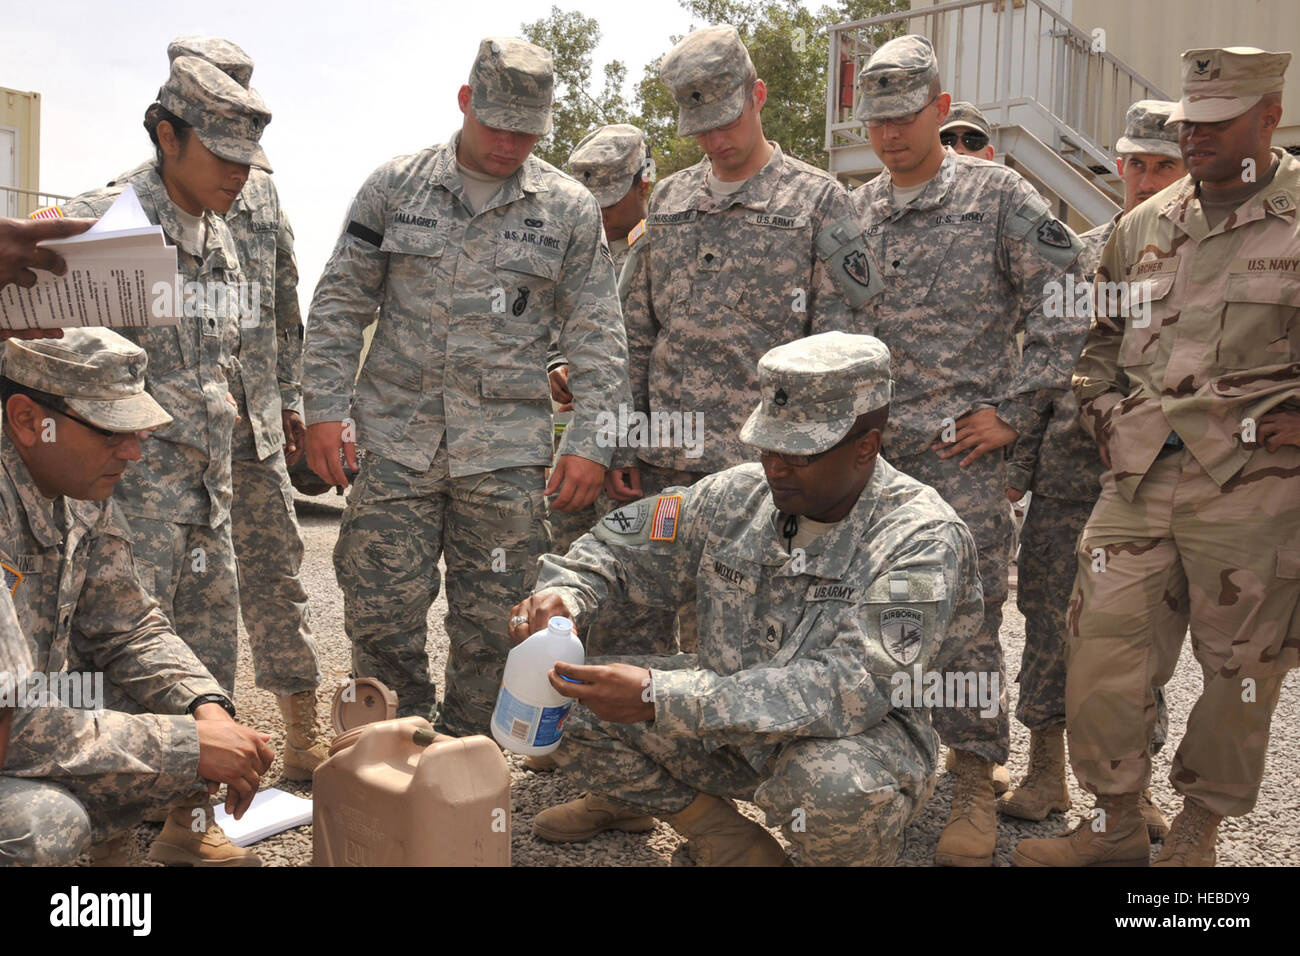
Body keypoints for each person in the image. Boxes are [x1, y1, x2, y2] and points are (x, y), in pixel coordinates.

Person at [513, 332, 982, 865]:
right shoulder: (733, 496)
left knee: (834, 790)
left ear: (865, 448)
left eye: (797, 452)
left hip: (851, 740)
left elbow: (852, 687)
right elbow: (616, 544)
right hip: (725, 721)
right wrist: (563, 594)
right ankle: (724, 839)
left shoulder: (922, 540)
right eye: (768, 446)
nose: (774, 466)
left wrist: (659, 696)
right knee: (566, 700)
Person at [1014, 46, 1300, 868]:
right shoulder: (1145, 224)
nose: (1196, 138)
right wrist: (1106, 414)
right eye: (1189, 123)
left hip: (1257, 489)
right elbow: (1097, 341)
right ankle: (1112, 827)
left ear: (1269, 117)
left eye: (1215, 124)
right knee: (1100, 654)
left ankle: (1197, 836)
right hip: (1138, 479)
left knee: (1239, 676)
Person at [303, 37, 630, 737]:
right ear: (465, 104)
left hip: (506, 459)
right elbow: (340, 304)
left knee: (495, 623)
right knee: (379, 609)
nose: (509, 144)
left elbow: (598, 332)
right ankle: (392, 756)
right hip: (396, 444)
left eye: (526, 132)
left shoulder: (568, 209)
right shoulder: (394, 187)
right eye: (496, 126)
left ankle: (460, 772)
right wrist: (325, 411)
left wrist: (592, 441)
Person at [848, 34, 1089, 866]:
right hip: (874, 465)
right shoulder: (858, 210)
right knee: (876, 619)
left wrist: (1014, 413)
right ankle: (888, 772)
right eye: (875, 121)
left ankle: (974, 785)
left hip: (962, 461)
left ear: (941, 110)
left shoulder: (998, 195)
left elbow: (1069, 297)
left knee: (970, 626)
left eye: (905, 117)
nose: (889, 135)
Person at [609, 23, 875, 657]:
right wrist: (621, 438)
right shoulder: (668, 203)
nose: (716, 139)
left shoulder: (819, 202)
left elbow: (843, 345)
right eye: (700, 128)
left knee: (739, 648)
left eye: (726, 120)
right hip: (663, 464)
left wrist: (818, 471)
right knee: (631, 627)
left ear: (758, 95)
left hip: (763, 470)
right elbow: (634, 336)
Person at [0, 330, 273, 866]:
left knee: (166, 724)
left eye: (137, 429)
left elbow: (126, 625)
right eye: (111, 431)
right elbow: (8, 728)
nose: (134, 450)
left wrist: (205, 708)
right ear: (29, 419)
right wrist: (187, 746)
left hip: (23, 721)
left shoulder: (77, 490)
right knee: (42, 825)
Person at [137, 34, 325, 779]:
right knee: (171, 586)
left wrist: (291, 398)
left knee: (275, 571)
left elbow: (283, 301)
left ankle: (302, 728)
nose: (238, 170)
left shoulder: (258, 189)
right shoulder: (134, 206)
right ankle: (172, 758)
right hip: (177, 431)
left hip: (257, 417)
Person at [999, 99, 1187, 839]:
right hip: (1071, 473)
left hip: (1156, 482)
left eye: (1162, 165)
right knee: (1047, 620)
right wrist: (1017, 466)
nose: (1143, 179)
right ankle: (1046, 771)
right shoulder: (1077, 256)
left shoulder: (1203, 255)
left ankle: (1130, 789)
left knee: (1140, 634)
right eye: (1134, 163)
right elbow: (1042, 367)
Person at [59, 57, 271, 700]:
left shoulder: (222, 238)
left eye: (248, 158)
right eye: (222, 153)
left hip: (209, 503)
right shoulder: (102, 226)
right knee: (122, 686)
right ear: (166, 135)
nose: (239, 173)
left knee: (204, 686)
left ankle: (193, 801)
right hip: (124, 510)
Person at [546, 123, 655, 561]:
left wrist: (625, 447)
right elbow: (545, 328)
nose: (601, 216)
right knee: (562, 568)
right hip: (571, 446)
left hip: (640, 451)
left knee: (630, 585)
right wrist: (556, 366)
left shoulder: (661, 249)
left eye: (610, 202)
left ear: (642, 180)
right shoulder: (563, 248)